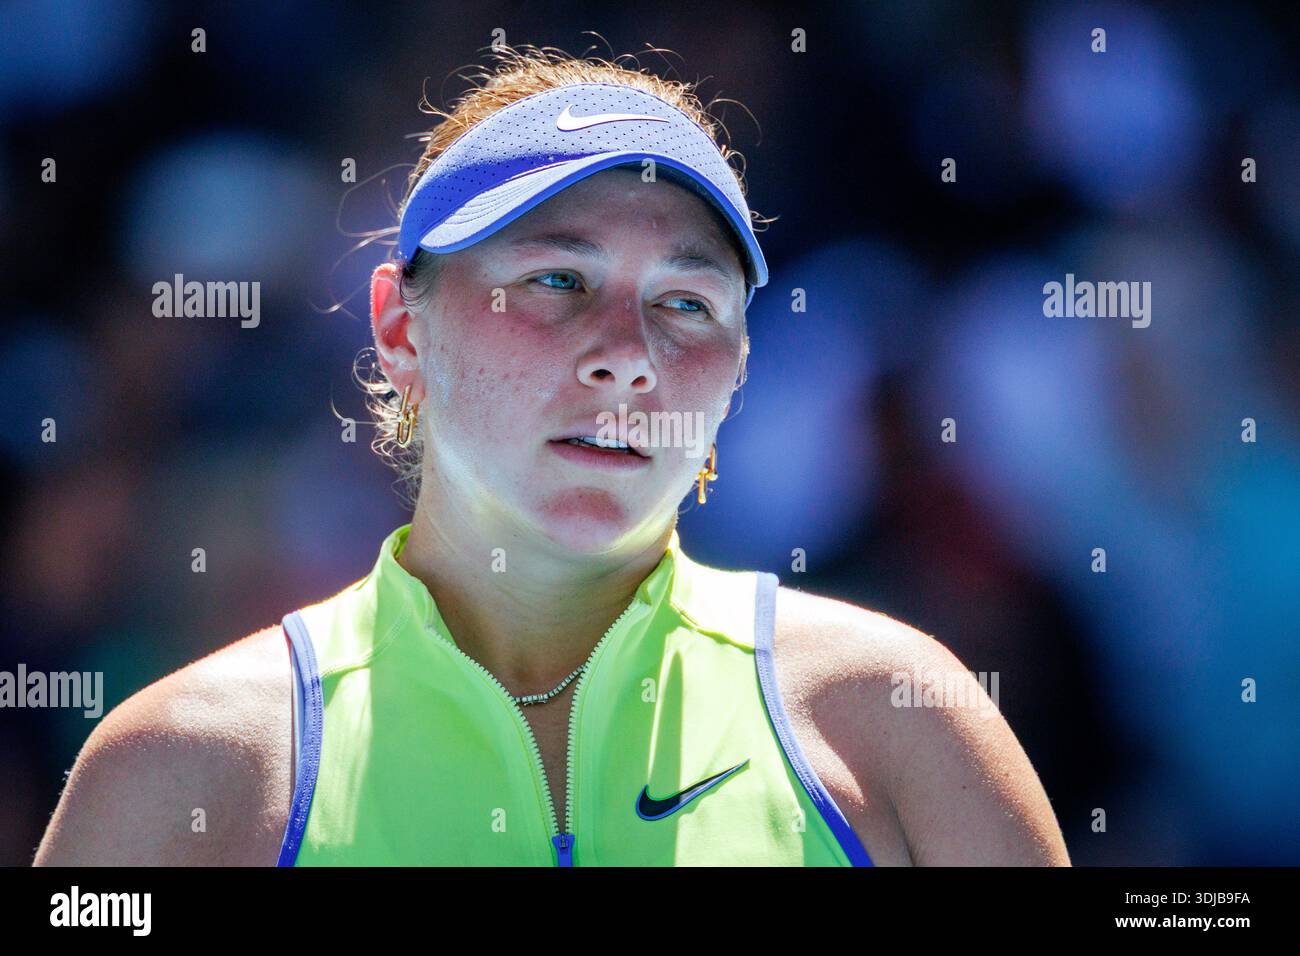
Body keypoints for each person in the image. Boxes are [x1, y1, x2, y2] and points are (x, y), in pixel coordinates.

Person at [34, 48, 1070, 866]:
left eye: (684, 301)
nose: (626, 356)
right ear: (401, 333)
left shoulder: (902, 720)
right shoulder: (181, 768)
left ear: (737, 366)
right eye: (556, 282)